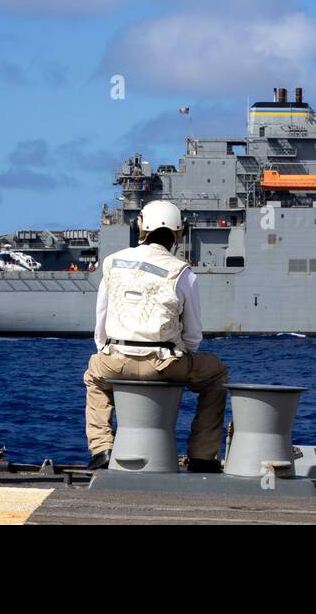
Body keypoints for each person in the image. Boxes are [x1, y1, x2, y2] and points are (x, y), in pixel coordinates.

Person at [83, 200, 228, 471]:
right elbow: (194, 334)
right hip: (165, 362)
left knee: (94, 377)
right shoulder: (183, 272)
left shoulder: (112, 263)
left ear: (141, 227)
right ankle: (201, 457)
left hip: (116, 357)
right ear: (178, 233)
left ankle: (102, 449)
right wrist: (182, 355)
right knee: (216, 375)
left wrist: (107, 351)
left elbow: (100, 322)